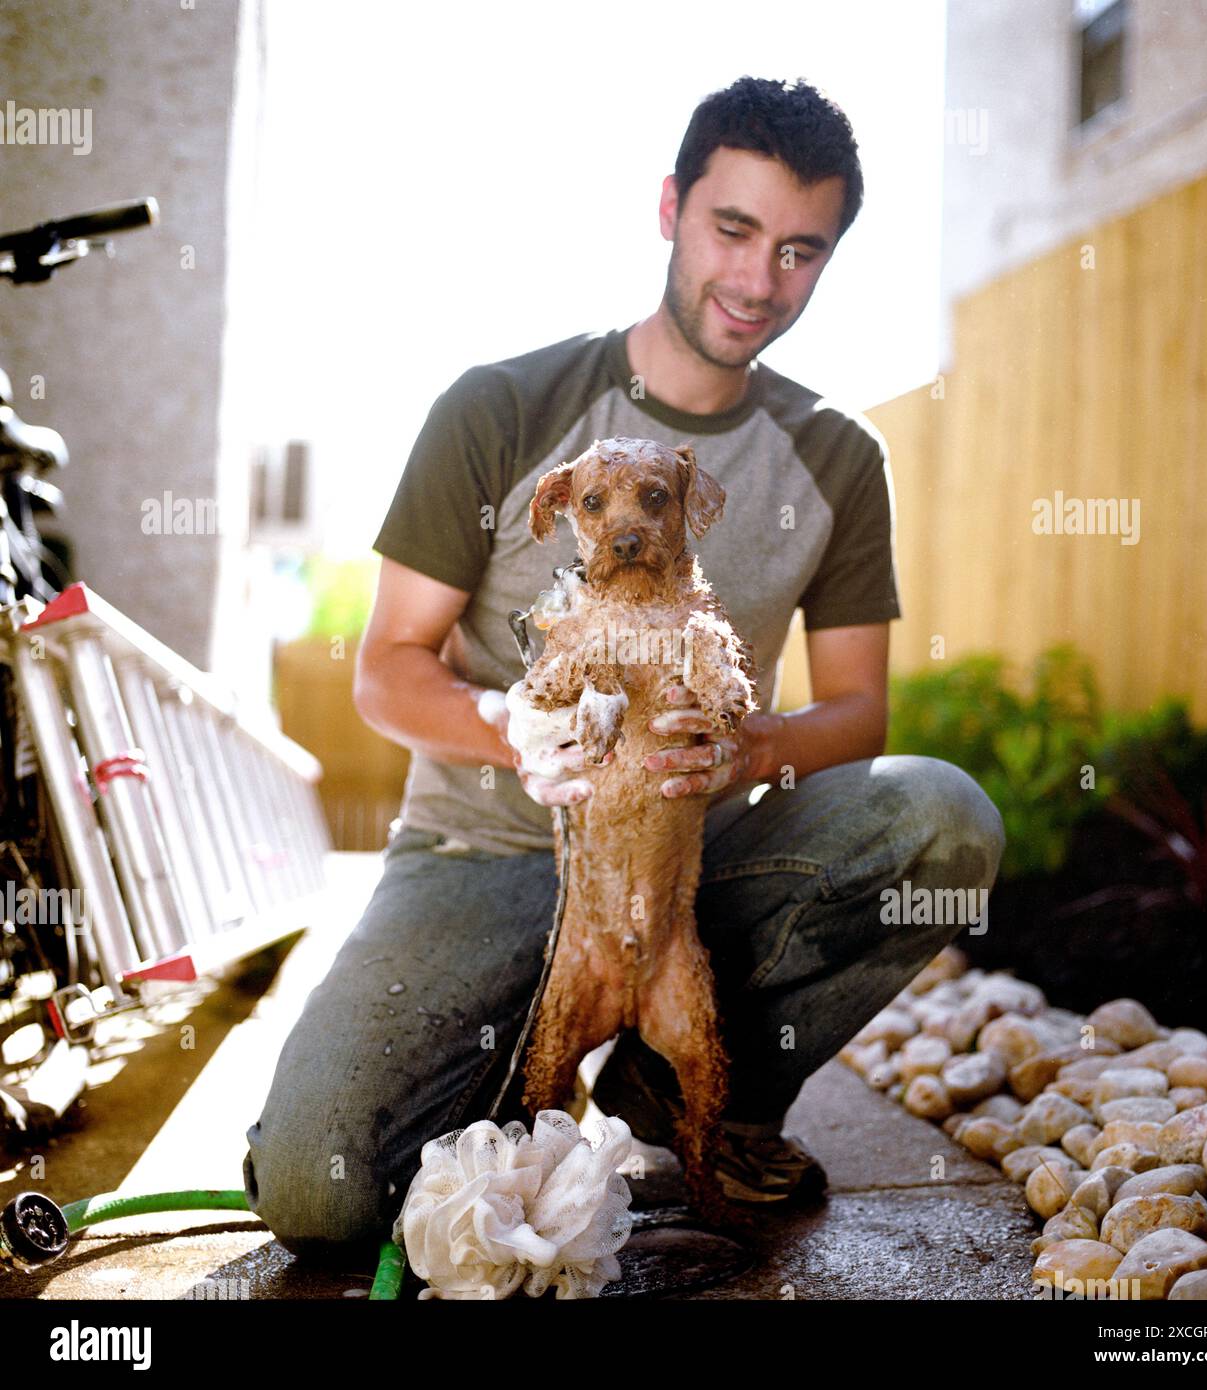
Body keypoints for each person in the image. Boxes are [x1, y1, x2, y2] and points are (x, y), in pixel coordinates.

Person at [242, 75, 1006, 1269]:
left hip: (690, 853)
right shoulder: (501, 408)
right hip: (481, 852)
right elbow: (386, 669)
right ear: (669, 208)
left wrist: (757, 750)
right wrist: (512, 727)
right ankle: (507, 1086)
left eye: (801, 250)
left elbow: (861, 709)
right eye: (732, 229)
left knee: (943, 820)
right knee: (314, 1190)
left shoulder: (838, 459)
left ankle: (678, 1098)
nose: (758, 281)